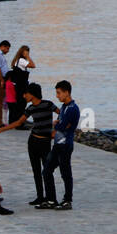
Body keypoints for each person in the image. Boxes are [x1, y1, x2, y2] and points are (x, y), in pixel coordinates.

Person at [0, 82, 58, 206]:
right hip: (33, 142)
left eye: (26, 93)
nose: (24, 96)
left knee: (47, 170)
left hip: (45, 143)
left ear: (32, 94)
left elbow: (63, 114)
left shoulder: (49, 104)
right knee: (36, 171)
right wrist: (0, 130)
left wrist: (57, 129)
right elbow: (18, 123)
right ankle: (40, 197)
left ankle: (51, 198)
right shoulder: (30, 109)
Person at [42, 80, 79, 210]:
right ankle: (51, 199)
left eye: (59, 93)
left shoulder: (73, 109)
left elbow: (64, 126)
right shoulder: (64, 107)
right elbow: (62, 124)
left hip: (66, 145)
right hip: (58, 144)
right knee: (46, 170)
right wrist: (58, 125)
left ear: (66, 92)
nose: (57, 96)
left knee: (65, 173)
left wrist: (56, 124)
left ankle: (67, 200)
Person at [5, 45, 35, 127]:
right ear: (22, 52)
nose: (28, 53)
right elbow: (33, 65)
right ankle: (19, 124)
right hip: (21, 86)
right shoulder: (21, 60)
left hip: (18, 85)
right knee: (21, 104)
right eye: (26, 51)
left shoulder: (17, 61)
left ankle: (15, 122)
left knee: (19, 104)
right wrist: (28, 57)